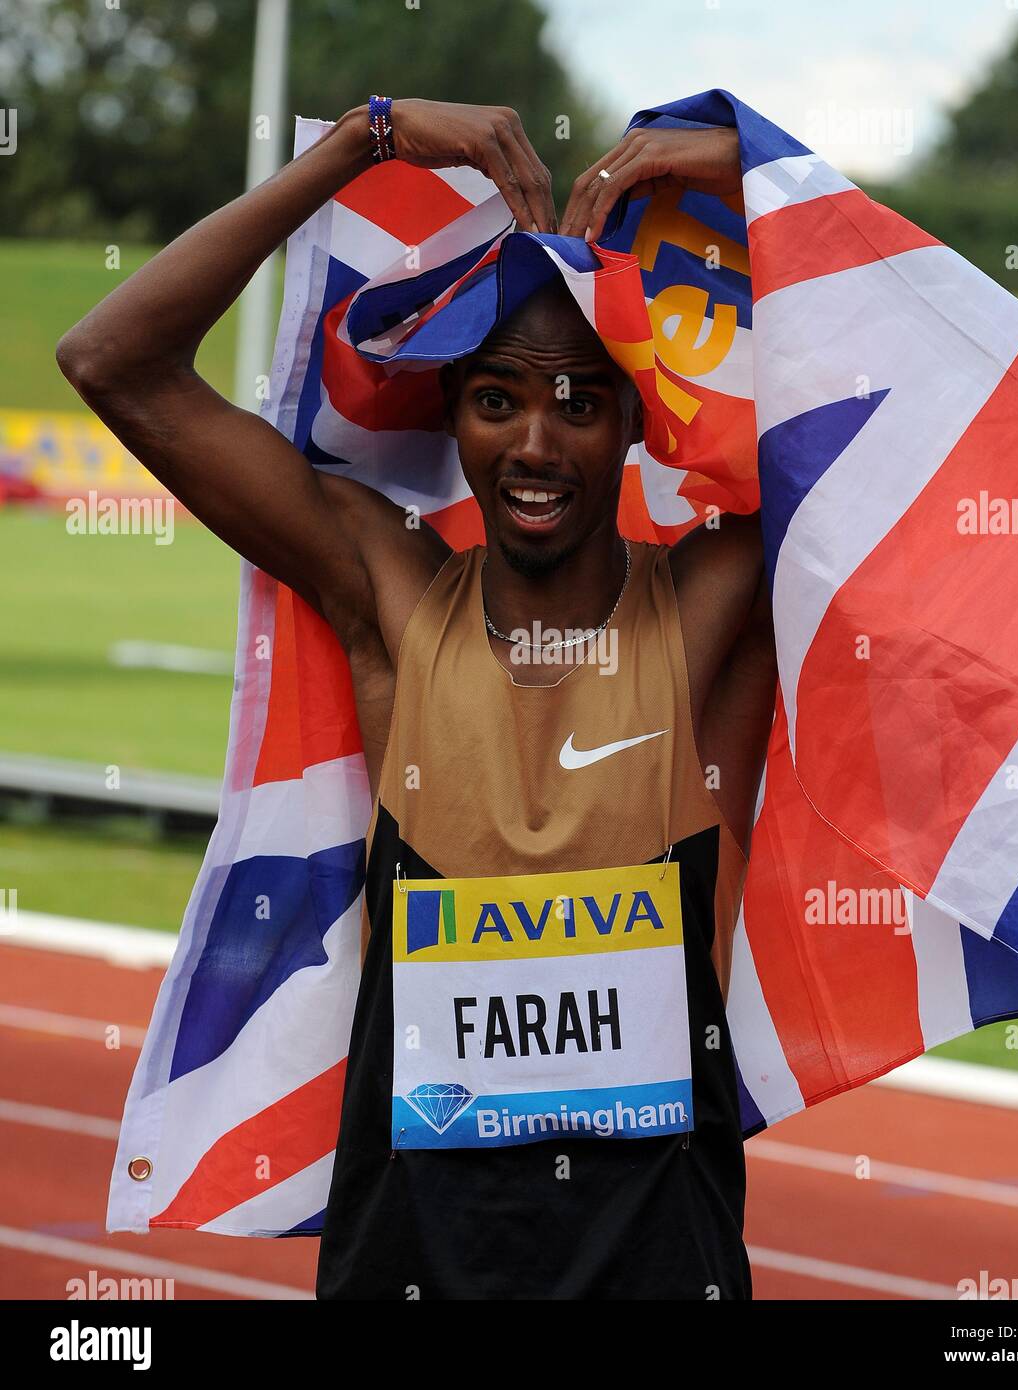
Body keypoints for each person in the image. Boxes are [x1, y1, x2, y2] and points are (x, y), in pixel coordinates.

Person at [57, 97, 777, 1300]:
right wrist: (361, 142)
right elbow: (113, 361)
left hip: (656, 1264)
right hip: (413, 1264)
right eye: (498, 397)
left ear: (636, 422)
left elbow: (919, 393)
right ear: (451, 416)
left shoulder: (713, 612)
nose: (537, 443)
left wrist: (750, 169)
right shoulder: (390, 600)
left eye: (580, 401)